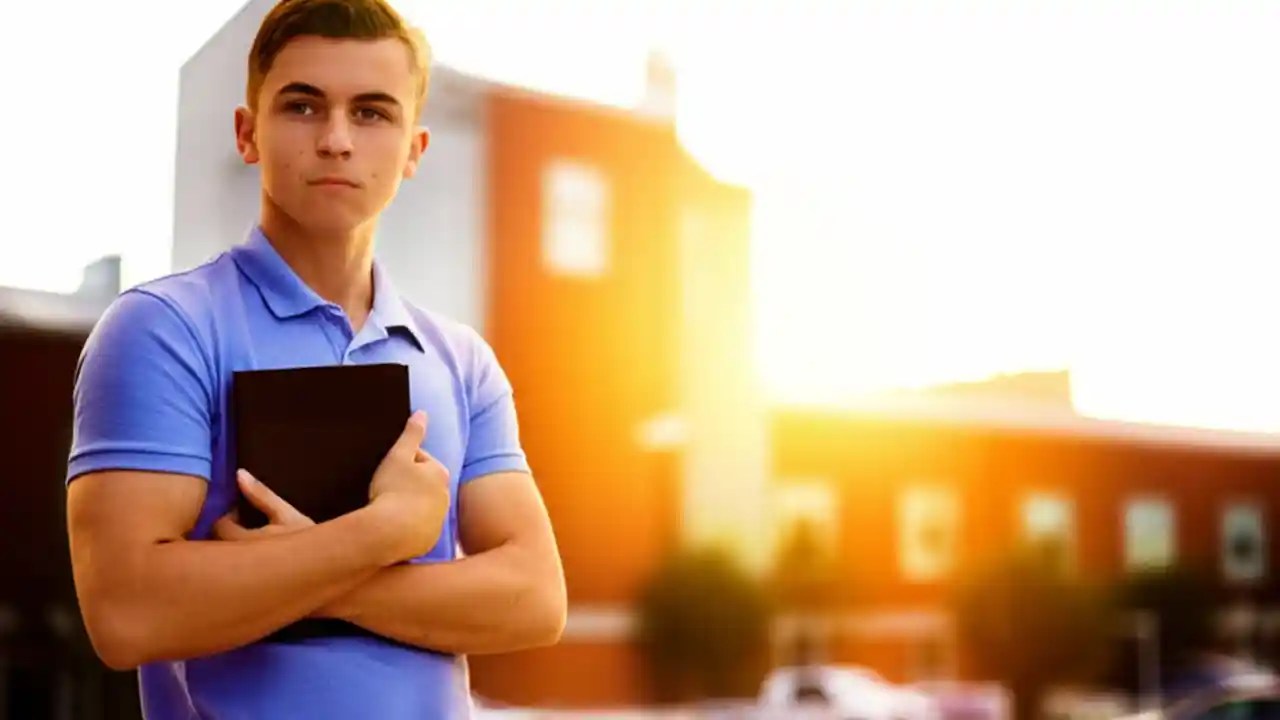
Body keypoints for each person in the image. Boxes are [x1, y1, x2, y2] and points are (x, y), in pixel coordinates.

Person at [64, 1, 566, 717]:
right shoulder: (163, 330)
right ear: (248, 133)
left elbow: (535, 599)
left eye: (371, 113)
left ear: (415, 148)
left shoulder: (462, 361)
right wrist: (383, 533)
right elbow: (127, 613)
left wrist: (314, 573)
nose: (335, 140)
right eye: (303, 107)